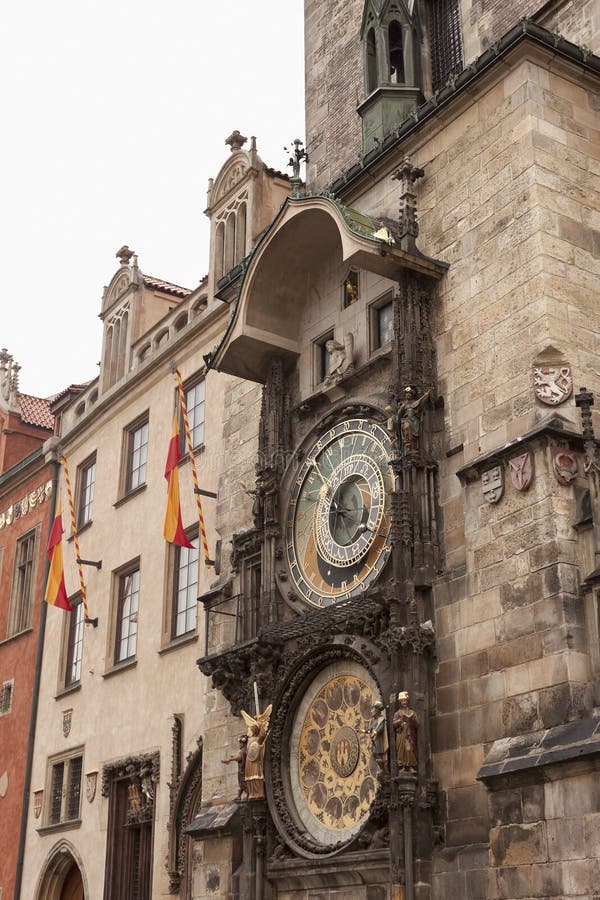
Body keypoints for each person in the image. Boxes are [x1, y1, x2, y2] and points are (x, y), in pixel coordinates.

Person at [241, 705, 273, 800]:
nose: (248, 731)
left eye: (250, 729)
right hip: (249, 761)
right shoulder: (250, 739)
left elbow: (263, 734)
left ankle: (258, 792)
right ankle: (252, 792)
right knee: (249, 777)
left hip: (255, 761)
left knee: (256, 776)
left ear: (254, 730)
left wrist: (260, 723)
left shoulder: (257, 738)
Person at [392, 691, 419, 772]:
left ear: (407, 701)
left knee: (409, 749)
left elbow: (417, 724)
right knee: (401, 750)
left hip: (409, 734)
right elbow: (393, 724)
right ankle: (403, 766)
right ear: (400, 702)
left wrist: (413, 719)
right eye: (402, 701)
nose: (404, 702)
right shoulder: (397, 713)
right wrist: (399, 721)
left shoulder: (412, 712)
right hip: (401, 734)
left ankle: (410, 766)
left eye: (405, 700)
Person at [364, 700, 388, 773]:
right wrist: (362, 731)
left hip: (379, 740)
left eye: (372, 709)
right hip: (374, 740)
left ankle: (383, 769)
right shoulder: (373, 721)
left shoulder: (381, 719)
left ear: (377, 710)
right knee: (375, 754)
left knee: (378, 754)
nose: (371, 711)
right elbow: (370, 730)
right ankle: (381, 768)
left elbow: (379, 728)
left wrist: (375, 732)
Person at [222, 735, 248, 801]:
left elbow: (239, 757)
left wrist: (230, 759)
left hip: (242, 771)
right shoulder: (244, 750)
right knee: (241, 784)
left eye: (240, 743)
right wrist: (233, 758)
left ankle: (248, 794)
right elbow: (240, 758)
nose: (239, 744)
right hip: (242, 770)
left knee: (243, 783)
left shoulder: (242, 751)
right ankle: (239, 796)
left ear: (243, 743)